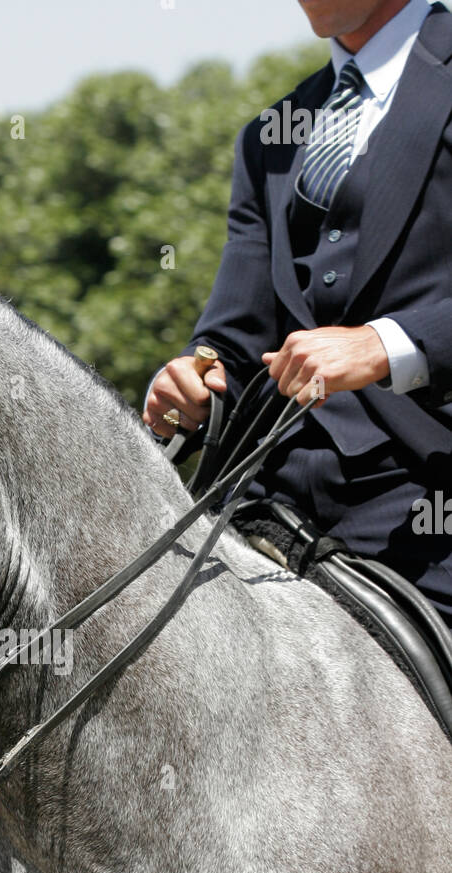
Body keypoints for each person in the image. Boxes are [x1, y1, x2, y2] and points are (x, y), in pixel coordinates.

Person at [143, 0, 452, 624]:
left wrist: (386, 344)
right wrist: (193, 379)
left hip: (429, 496)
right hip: (262, 491)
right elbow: (233, 337)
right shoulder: (270, 135)